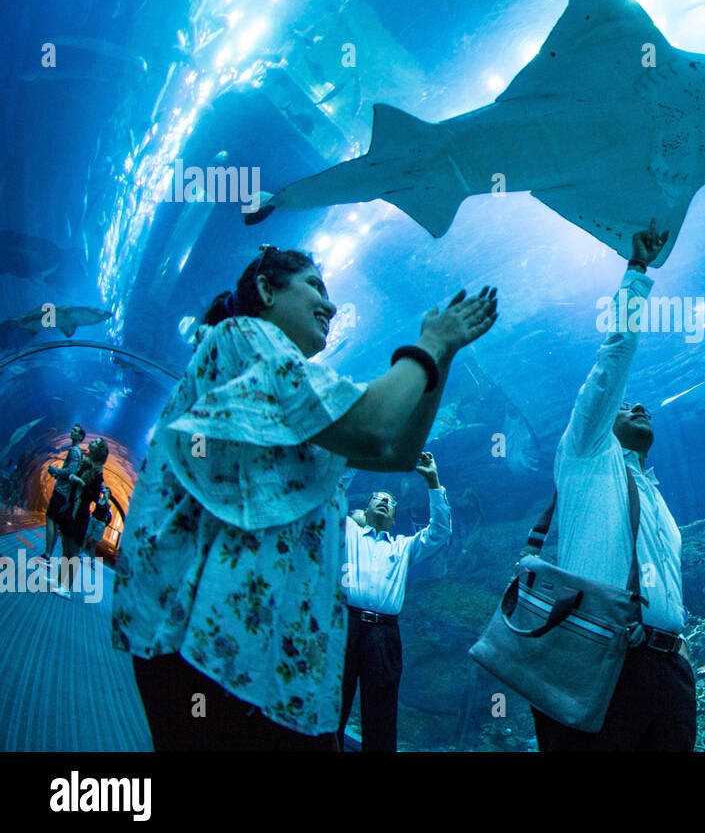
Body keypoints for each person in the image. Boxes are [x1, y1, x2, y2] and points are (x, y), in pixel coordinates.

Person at [111, 245, 496, 750]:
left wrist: (442, 358)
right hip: (206, 641)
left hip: (261, 650)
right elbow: (374, 428)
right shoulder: (243, 339)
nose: (332, 307)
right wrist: (429, 343)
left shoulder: (291, 404)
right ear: (267, 290)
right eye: (314, 286)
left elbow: (397, 453)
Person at [531, 219, 693, 752]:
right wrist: (637, 274)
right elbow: (612, 364)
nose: (639, 406)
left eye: (640, 406)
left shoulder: (653, 491)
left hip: (667, 670)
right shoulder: (584, 457)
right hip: (596, 659)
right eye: (627, 406)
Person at [339, 451, 453, 751]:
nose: (384, 500)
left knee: (382, 711)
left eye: (390, 501)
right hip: (344, 626)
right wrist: (354, 456)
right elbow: (331, 497)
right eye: (377, 497)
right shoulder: (348, 532)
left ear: (393, 518)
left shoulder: (404, 548)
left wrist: (433, 481)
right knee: (332, 704)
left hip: (384, 634)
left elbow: (440, 532)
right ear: (364, 509)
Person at [57, 438, 109, 594]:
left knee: (73, 551)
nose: (91, 443)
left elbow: (93, 496)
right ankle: (59, 580)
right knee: (65, 547)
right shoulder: (85, 463)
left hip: (80, 513)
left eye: (95, 443)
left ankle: (66, 588)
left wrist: (81, 482)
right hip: (72, 507)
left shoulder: (98, 473)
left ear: (99, 451)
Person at [44, 423, 85, 558]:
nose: (71, 431)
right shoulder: (77, 451)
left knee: (50, 519)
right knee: (54, 523)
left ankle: (47, 553)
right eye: (72, 429)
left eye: (75, 431)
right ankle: (48, 553)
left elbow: (70, 472)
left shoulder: (74, 451)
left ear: (80, 436)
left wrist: (55, 470)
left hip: (61, 491)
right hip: (64, 492)